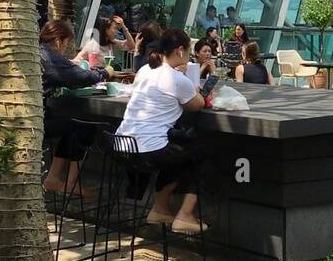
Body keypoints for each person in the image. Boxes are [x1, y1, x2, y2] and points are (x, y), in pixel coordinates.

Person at [116, 28, 208, 234]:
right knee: (200, 153)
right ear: (180, 51)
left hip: (121, 145)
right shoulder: (176, 79)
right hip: (147, 150)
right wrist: (187, 78)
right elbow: (198, 104)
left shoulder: (145, 71)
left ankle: (160, 209)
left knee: (176, 151)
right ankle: (185, 215)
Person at [40, 20, 113, 197]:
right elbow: (78, 77)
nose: (66, 47)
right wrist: (105, 73)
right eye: (66, 43)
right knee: (83, 128)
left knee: (72, 127)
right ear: (58, 40)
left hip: (38, 117)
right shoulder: (50, 57)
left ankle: (54, 177)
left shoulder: (39, 52)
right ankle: (69, 184)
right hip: (38, 123)